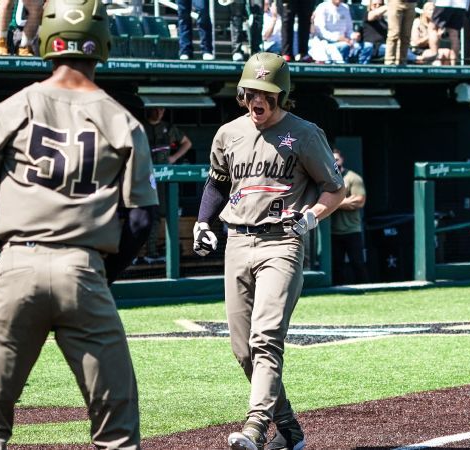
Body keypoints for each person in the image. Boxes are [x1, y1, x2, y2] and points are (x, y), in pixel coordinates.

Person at [0, 0, 158, 447]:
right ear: (102, 42)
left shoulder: (11, 108)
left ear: (46, 38)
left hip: (17, 264)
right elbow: (142, 217)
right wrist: (101, 273)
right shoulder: (123, 120)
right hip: (83, 268)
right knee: (117, 430)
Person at [192, 52, 344, 450]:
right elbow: (217, 183)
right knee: (243, 349)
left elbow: (335, 188)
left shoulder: (305, 133)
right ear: (242, 93)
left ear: (282, 96)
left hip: (282, 242)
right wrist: (203, 221)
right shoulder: (228, 133)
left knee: (265, 338)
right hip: (237, 242)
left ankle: (256, 427)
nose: (258, 100)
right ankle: (289, 429)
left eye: (267, 94)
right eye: (251, 92)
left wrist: (312, 216)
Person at [141, 107, 192, 263]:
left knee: (162, 212)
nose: (159, 113)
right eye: (156, 109)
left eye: (162, 110)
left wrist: (173, 158)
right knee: (147, 213)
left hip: (164, 178)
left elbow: (187, 143)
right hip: (144, 178)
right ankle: (147, 253)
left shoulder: (168, 128)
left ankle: (156, 252)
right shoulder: (140, 127)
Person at [330, 148, 368, 285]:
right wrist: (346, 202)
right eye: (332, 159)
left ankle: (364, 289)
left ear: (342, 159)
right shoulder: (327, 178)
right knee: (336, 266)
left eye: (337, 159)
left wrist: (332, 203)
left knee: (357, 263)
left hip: (352, 230)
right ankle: (338, 291)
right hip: (333, 232)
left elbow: (359, 201)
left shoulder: (353, 178)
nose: (335, 162)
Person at [429, 0, 469, 65]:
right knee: (454, 34)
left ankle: (436, 59)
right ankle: (453, 64)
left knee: (432, 28)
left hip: (443, 3)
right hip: (461, 5)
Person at [385, 0, 416, 65]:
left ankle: (403, 62)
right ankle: (389, 62)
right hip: (396, 2)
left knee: (406, 36)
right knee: (394, 34)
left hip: (411, 3)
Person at [360, 0, 388, 64]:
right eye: (375, 5)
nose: (377, 6)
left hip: (382, 45)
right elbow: (373, 15)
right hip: (370, 45)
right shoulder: (367, 15)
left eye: (380, 5)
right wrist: (390, 5)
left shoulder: (384, 20)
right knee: (368, 46)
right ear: (370, 6)